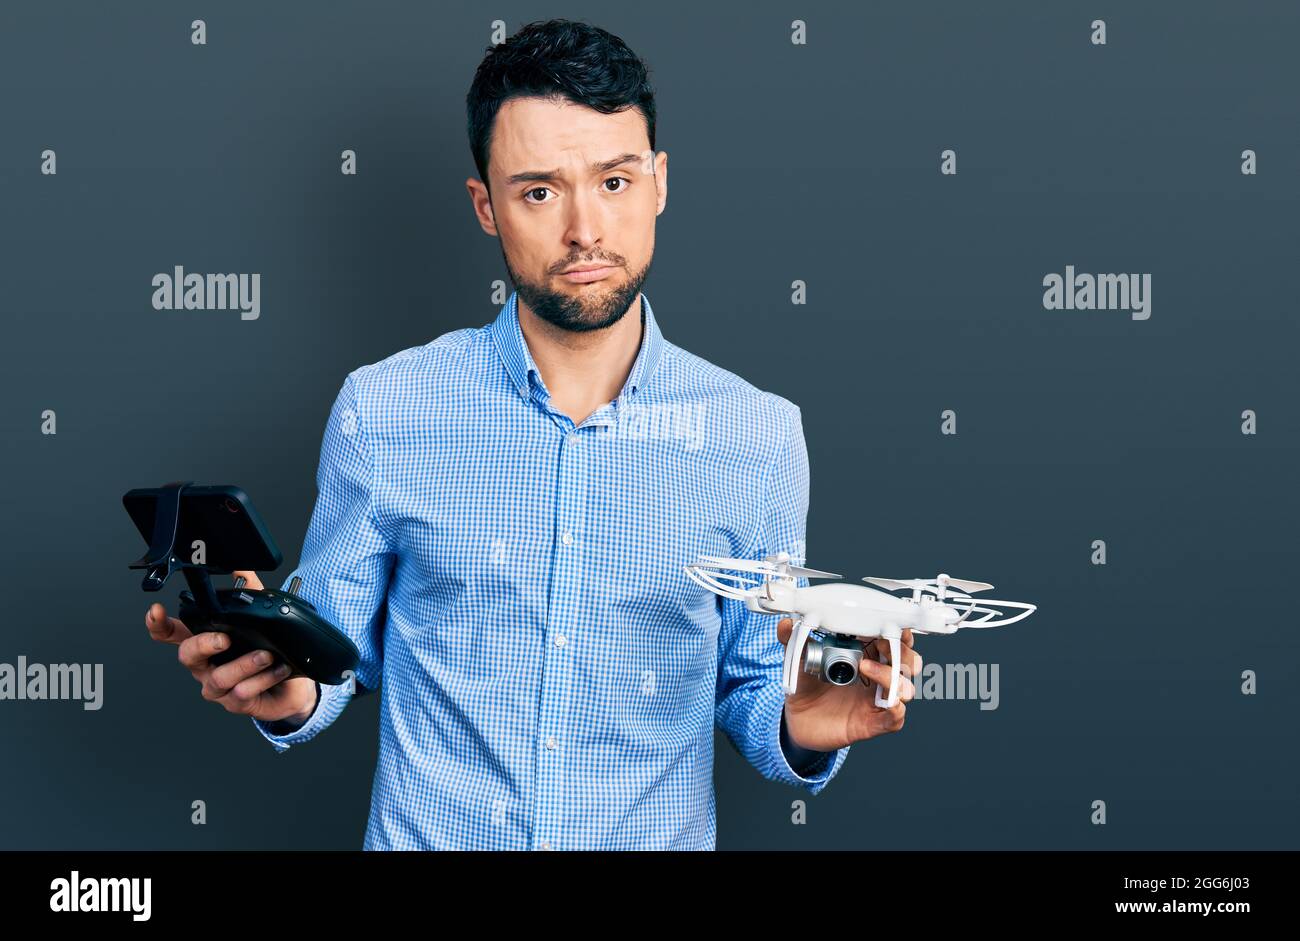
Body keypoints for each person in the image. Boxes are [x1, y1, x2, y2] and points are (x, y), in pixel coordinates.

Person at [143, 18, 919, 850]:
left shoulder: (757, 436)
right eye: (540, 191)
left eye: (615, 182)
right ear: (486, 206)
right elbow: (332, 651)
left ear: (659, 182)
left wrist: (805, 726)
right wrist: (285, 686)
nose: (585, 229)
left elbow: (759, 679)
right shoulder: (384, 410)